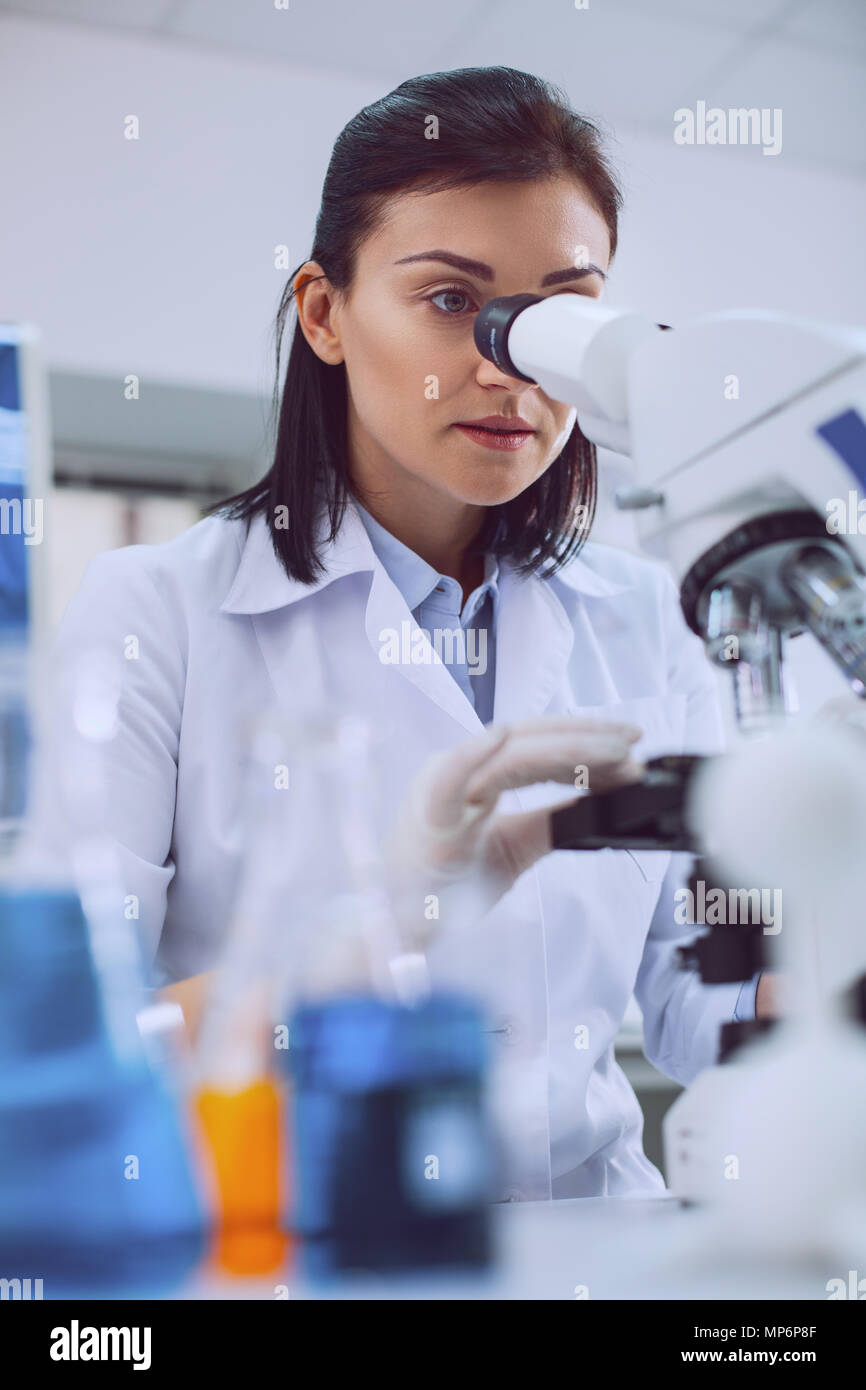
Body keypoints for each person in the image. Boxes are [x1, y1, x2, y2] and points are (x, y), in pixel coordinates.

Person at [50, 66, 772, 1201]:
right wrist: (373, 924)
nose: (507, 365)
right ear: (325, 313)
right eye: (451, 300)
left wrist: (810, 951)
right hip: (303, 1254)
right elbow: (69, 1056)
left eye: (558, 316)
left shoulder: (650, 618)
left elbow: (697, 1013)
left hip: (599, 1251)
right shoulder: (158, 615)